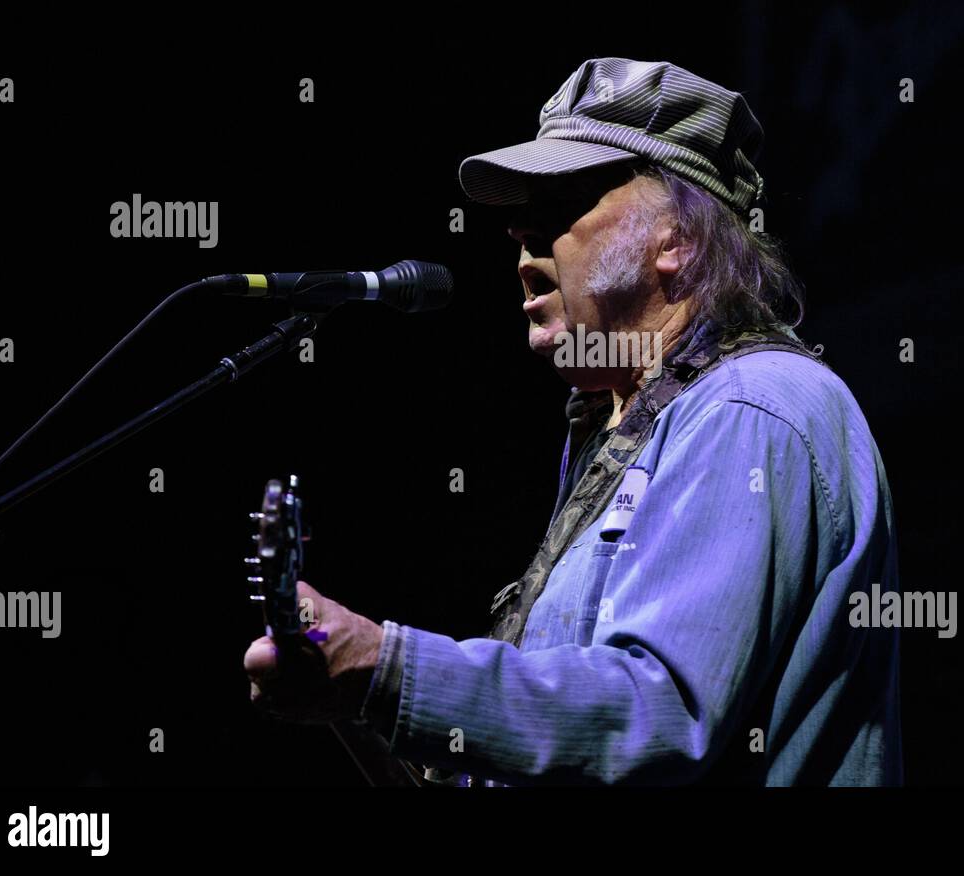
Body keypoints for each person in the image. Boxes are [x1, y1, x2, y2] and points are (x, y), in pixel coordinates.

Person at [244, 57, 903, 785]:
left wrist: (385, 666)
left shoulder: (750, 407)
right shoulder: (623, 430)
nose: (522, 243)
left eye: (562, 203)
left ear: (675, 239)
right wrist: (351, 698)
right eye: (520, 215)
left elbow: (659, 716)